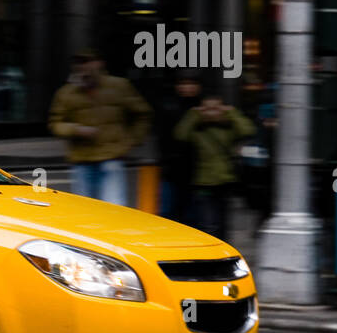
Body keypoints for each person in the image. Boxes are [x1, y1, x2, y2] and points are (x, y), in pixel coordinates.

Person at [48, 49, 153, 206]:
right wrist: (75, 129)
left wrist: (132, 141)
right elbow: (55, 123)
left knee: (114, 207)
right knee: (85, 209)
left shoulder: (119, 86)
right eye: (79, 63)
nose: (83, 67)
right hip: (83, 159)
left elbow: (142, 113)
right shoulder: (66, 93)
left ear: (99, 63)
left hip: (112, 158)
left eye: (87, 62)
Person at [174, 89, 256, 240]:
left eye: (216, 108)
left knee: (224, 222)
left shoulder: (228, 127)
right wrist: (193, 115)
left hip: (225, 181)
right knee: (208, 223)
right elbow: (180, 134)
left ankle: (224, 249)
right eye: (207, 108)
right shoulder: (198, 129)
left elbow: (248, 130)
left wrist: (232, 113)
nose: (211, 112)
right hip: (204, 182)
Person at [157, 69, 202, 224]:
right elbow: (164, 135)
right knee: (168, 214)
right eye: (183, 83)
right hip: (172, 167)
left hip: (197, 169)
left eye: (191, 83)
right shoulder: (168, 105)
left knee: (192, 215)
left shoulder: (203, 107)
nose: (187, 87)